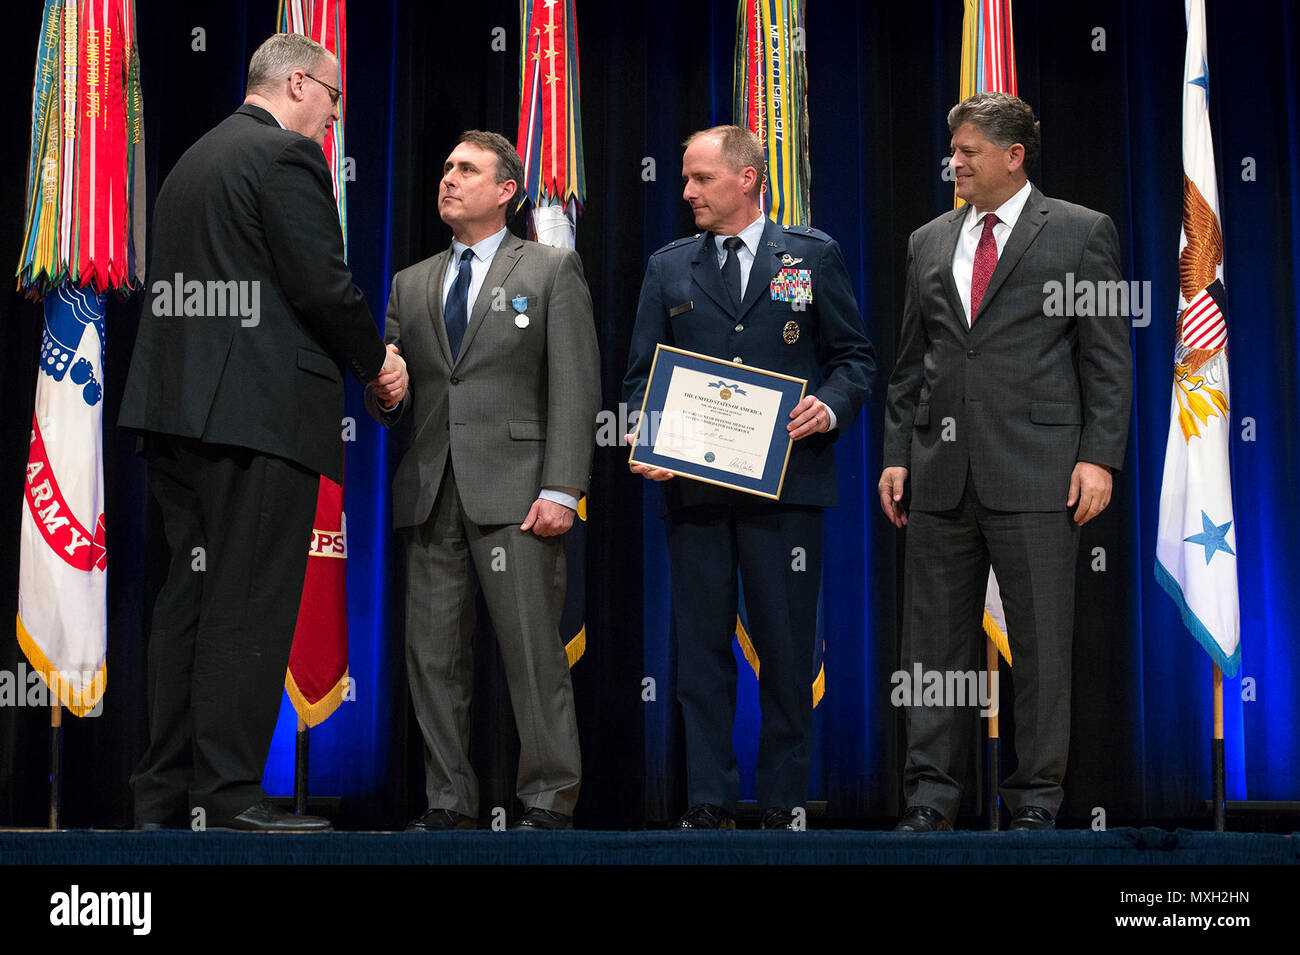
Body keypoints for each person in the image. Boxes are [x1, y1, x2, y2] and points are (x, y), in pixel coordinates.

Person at [120, 33, 406, 831]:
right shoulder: (284, 159)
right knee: (249, 603)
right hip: (256, 417)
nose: (334, 118)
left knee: (192, 601)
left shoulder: (195, 159)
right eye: (334, 99)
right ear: (300, 84)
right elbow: (322, 283)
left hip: (178, 416)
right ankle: (234, 792)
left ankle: (161, 793)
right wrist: (378, 362)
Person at [879, 92, 1132, 832]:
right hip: (938, 473)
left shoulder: (1082, 233)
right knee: (932, 648)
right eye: (952, 150)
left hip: (1040, 467)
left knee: (1042, 647)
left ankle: (1035, 803)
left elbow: (1107, 359)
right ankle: (929, 797)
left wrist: (1099, 458)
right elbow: (910, 363)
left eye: (968, 151)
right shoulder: (928, 239)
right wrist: (897, 455)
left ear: (1014, 156)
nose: (952, 162)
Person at [623, 125, 876, 830]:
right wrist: (642, 434)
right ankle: (708, 798)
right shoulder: (669, 266)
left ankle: (784, 800)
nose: (687, 191)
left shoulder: (810, 256)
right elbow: (639, 376)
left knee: (788, 652)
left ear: (747, 179)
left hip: (787, 490)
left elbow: (856, 359)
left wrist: (829, 405)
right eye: (684, 177)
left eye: (700, 178)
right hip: (695, 493)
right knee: (701, 655)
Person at [365, 131, 599, 832]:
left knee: (532, 656)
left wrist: (563, 488)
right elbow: (396, 393)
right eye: (444, 168)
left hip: (520, 494)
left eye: (466, 169)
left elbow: (574, 385)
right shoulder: (411, 282)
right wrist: (385, 391)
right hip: (433, 492)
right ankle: (447, 801)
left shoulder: (552, 269)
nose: (448, 178)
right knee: (432, 660)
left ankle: (549, 797)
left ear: (507, 191)